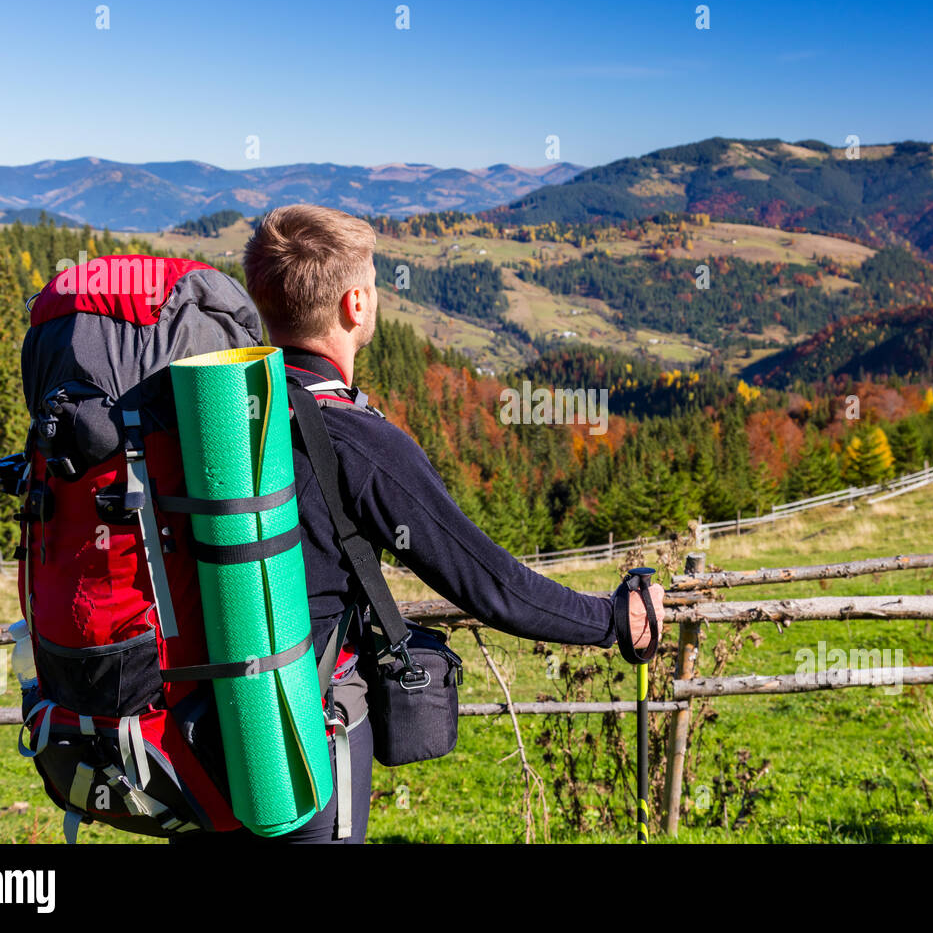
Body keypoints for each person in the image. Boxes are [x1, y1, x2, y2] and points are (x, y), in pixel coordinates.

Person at [180, 203, 663, 844]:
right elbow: (489, 583)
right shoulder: (356, 438)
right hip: (297, 745)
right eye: (375, 282)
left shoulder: (210, 421)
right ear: (356, 304)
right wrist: (613, 619)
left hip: (196, 737)